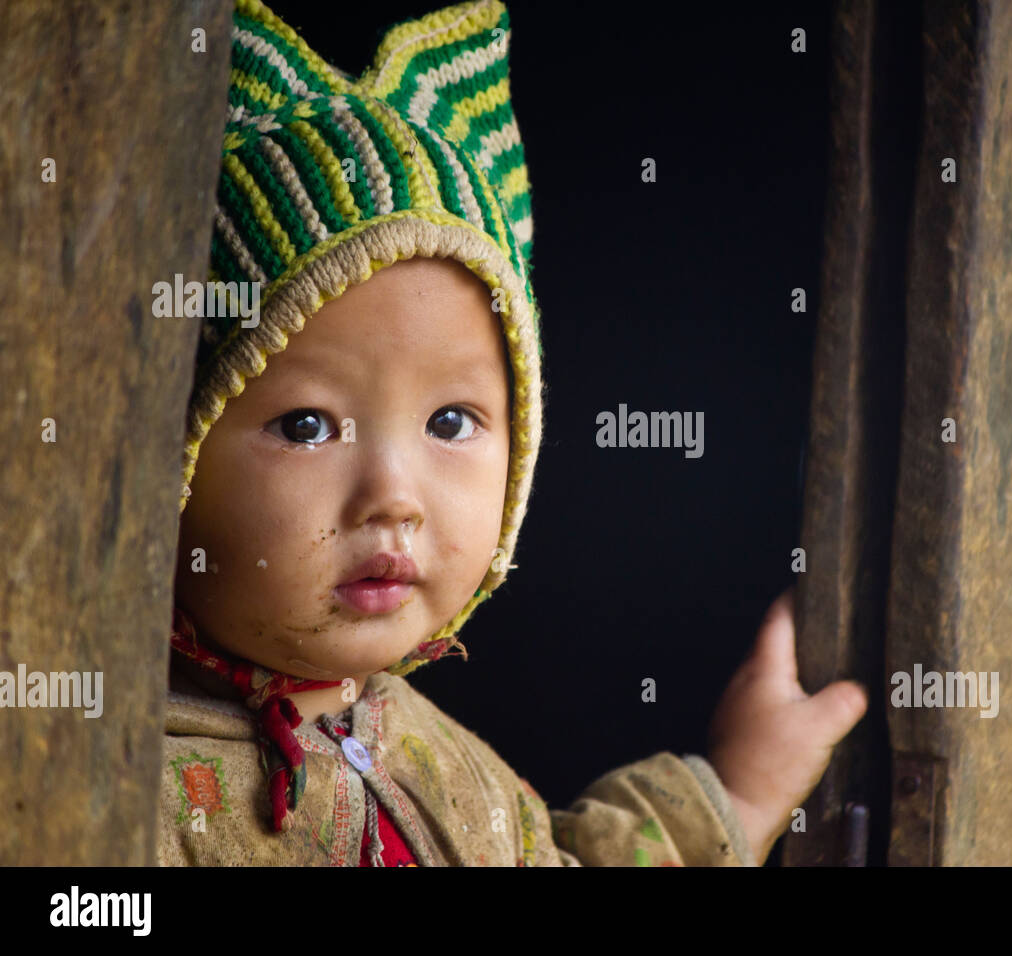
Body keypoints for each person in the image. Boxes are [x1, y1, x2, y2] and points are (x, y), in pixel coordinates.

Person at [159, 0, 868, 867]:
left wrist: (741, 793)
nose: (394, 495)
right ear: (169, 458)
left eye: (450, 421)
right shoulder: (112, 798)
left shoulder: (450, 772)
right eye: (306, 425)